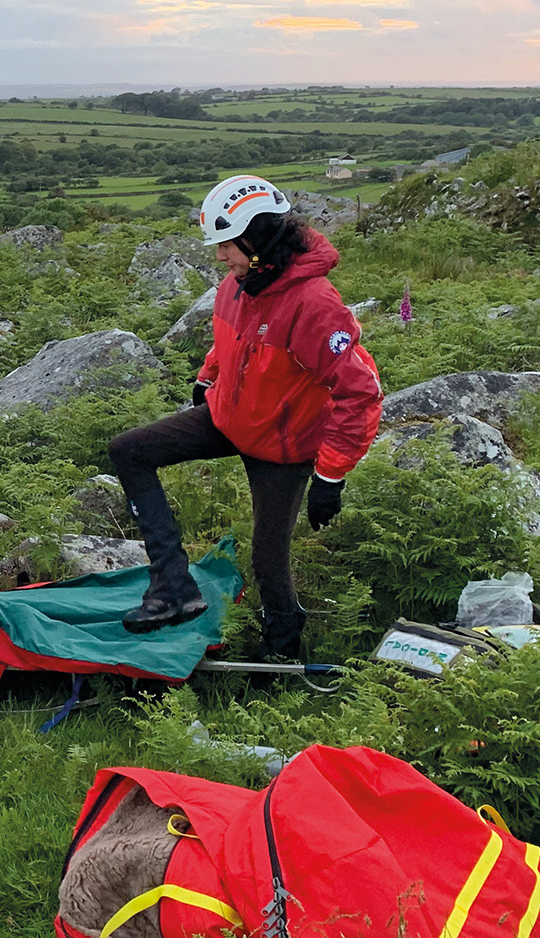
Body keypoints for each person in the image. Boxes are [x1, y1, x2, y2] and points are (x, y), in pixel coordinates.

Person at [107, 174, 383, 660]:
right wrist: (208, 376)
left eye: (227, 245)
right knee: (129, 450)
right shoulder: (240, 284)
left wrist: (330, 475)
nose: (220, 257)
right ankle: (173, 587)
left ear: (258, 241)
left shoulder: (314, 304)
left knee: (266, 562)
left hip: (283, 444)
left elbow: (360, 391)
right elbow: (230, 339)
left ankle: (281, 652)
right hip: (230, 416)